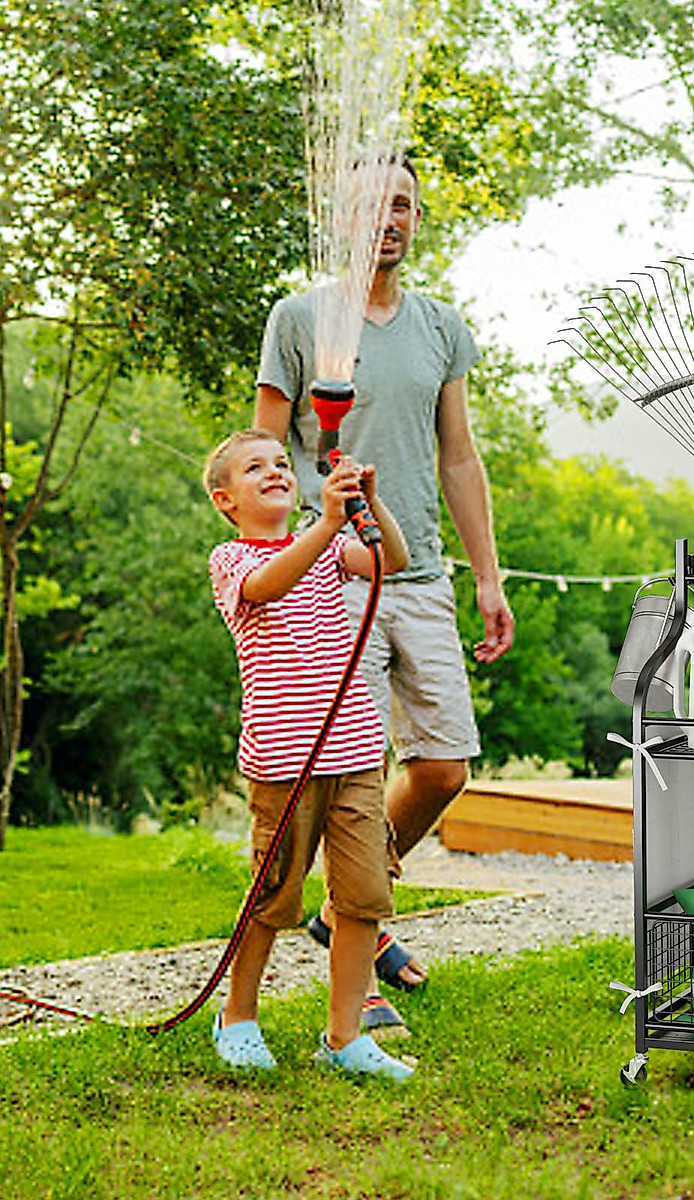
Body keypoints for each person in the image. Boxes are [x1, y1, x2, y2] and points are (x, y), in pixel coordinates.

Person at [254, 155, 514, 1012]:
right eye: (375, 207)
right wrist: (289, 557)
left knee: (444, 767)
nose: (391, 219)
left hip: (422, 572)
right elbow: (264, 450)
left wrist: (488, 577)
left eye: (404, 205)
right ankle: (358, 986)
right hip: (333, 575)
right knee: (353, 776)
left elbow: (459, 457)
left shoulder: (440, 326)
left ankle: (345, 907)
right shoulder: (299, 319)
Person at [204, 428, 414, 1080]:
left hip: (354, 752)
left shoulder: (327, 546)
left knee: (361, 897)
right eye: (253, 467)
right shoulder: (233, 559)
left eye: (278, 463)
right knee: (274, 896)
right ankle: (237, 1016)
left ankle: (344, 1036)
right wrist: (324, 524)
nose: (273, 471)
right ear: (224, 499)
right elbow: (269, 586)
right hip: (284, 762)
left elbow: (393, 562)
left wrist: (370, 506)